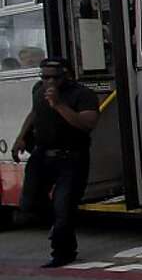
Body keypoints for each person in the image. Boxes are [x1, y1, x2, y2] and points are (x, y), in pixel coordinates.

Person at [13, 57, 99, 267]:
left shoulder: (82, 94)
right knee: (28, 204)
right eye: (44, 77)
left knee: (64, 207)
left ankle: (63, 251)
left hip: (71, 157)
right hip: (42, 154)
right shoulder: (38, 89)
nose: (49, 82)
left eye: (54, 77)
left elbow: (87, 124)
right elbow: (34, 113)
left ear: (66, 76)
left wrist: (59, 104)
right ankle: (57, 225)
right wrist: (21, 137)